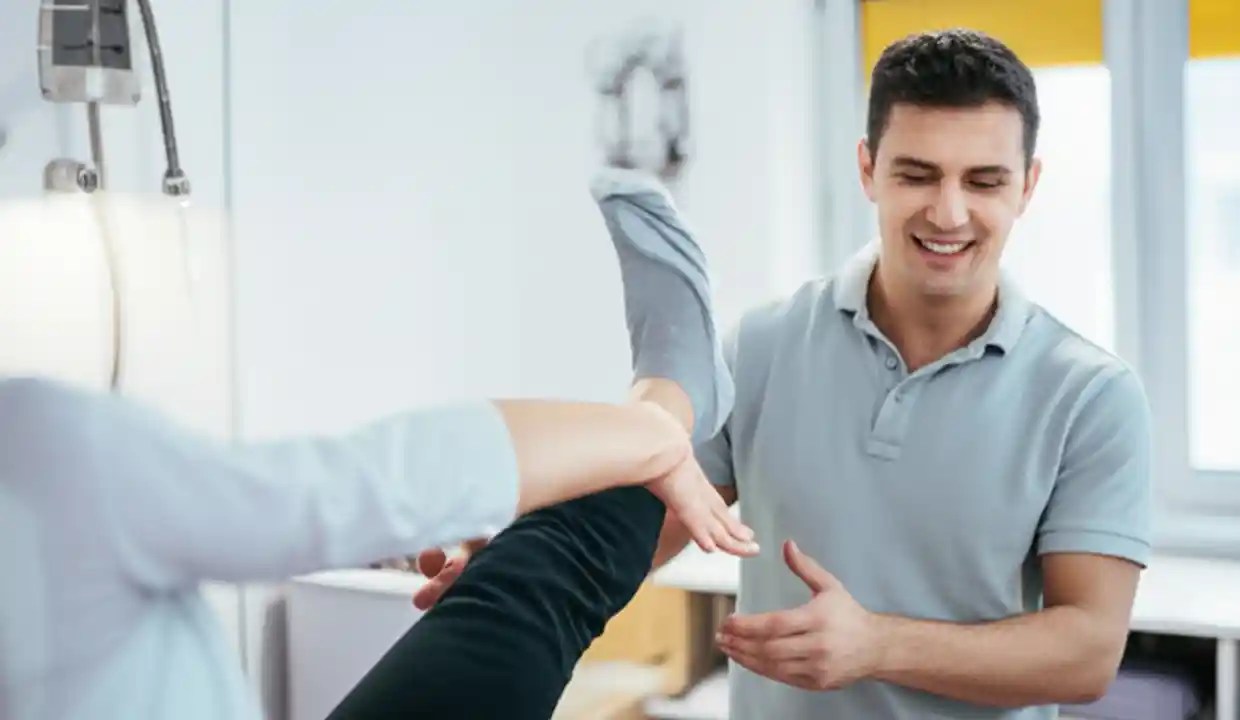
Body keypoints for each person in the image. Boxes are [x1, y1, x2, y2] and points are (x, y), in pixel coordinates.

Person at [404, 29, 1152, 720]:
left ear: (1028, 185)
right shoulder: (763, 345)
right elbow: (649, 526)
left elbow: (1087, 650)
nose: (949, 212)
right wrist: (516, 574)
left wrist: (878, 645)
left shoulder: (1090, 395)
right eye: (917, 174)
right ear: (868, 170)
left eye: (984, 181)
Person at [0, 169, 757, 720]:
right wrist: (647, 440)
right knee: (526, 586)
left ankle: (670, 400)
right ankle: (672, 400)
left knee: (505, 578)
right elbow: (344, 492)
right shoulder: (38, 448)